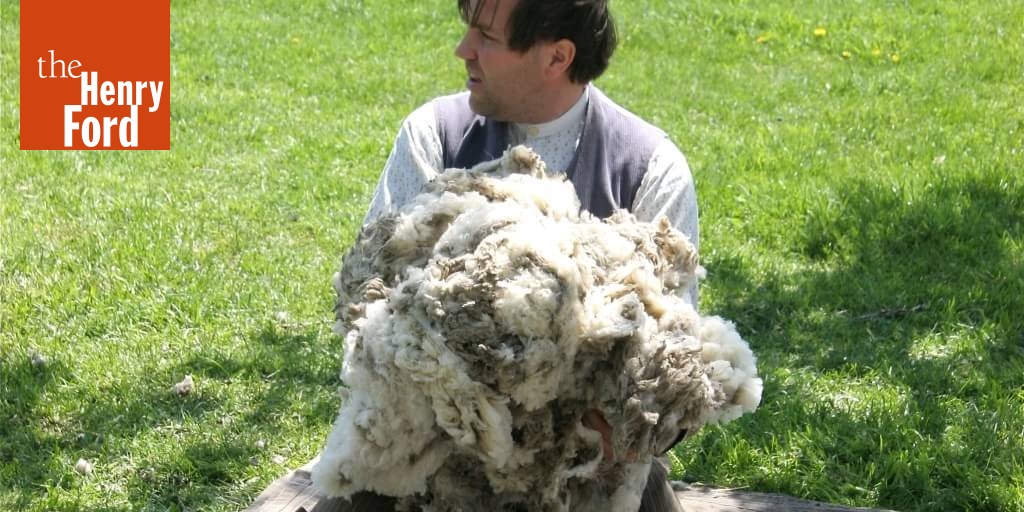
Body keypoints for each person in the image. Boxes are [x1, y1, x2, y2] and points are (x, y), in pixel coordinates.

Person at [247, 1, 697, 510]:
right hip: (426, 463)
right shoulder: (434, 136)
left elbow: (671, 366)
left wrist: (614, 419)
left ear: (557, 57)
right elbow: (368, 306)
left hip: (589, 476)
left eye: (486, 35)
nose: (464, 50)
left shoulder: (649, 170)